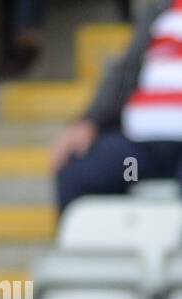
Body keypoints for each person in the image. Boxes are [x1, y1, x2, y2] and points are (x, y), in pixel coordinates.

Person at [51, 0, 182, 212]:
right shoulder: (159, 12)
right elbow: (124, 73)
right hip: (137, 146)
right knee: (77, 171)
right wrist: (89, 121)